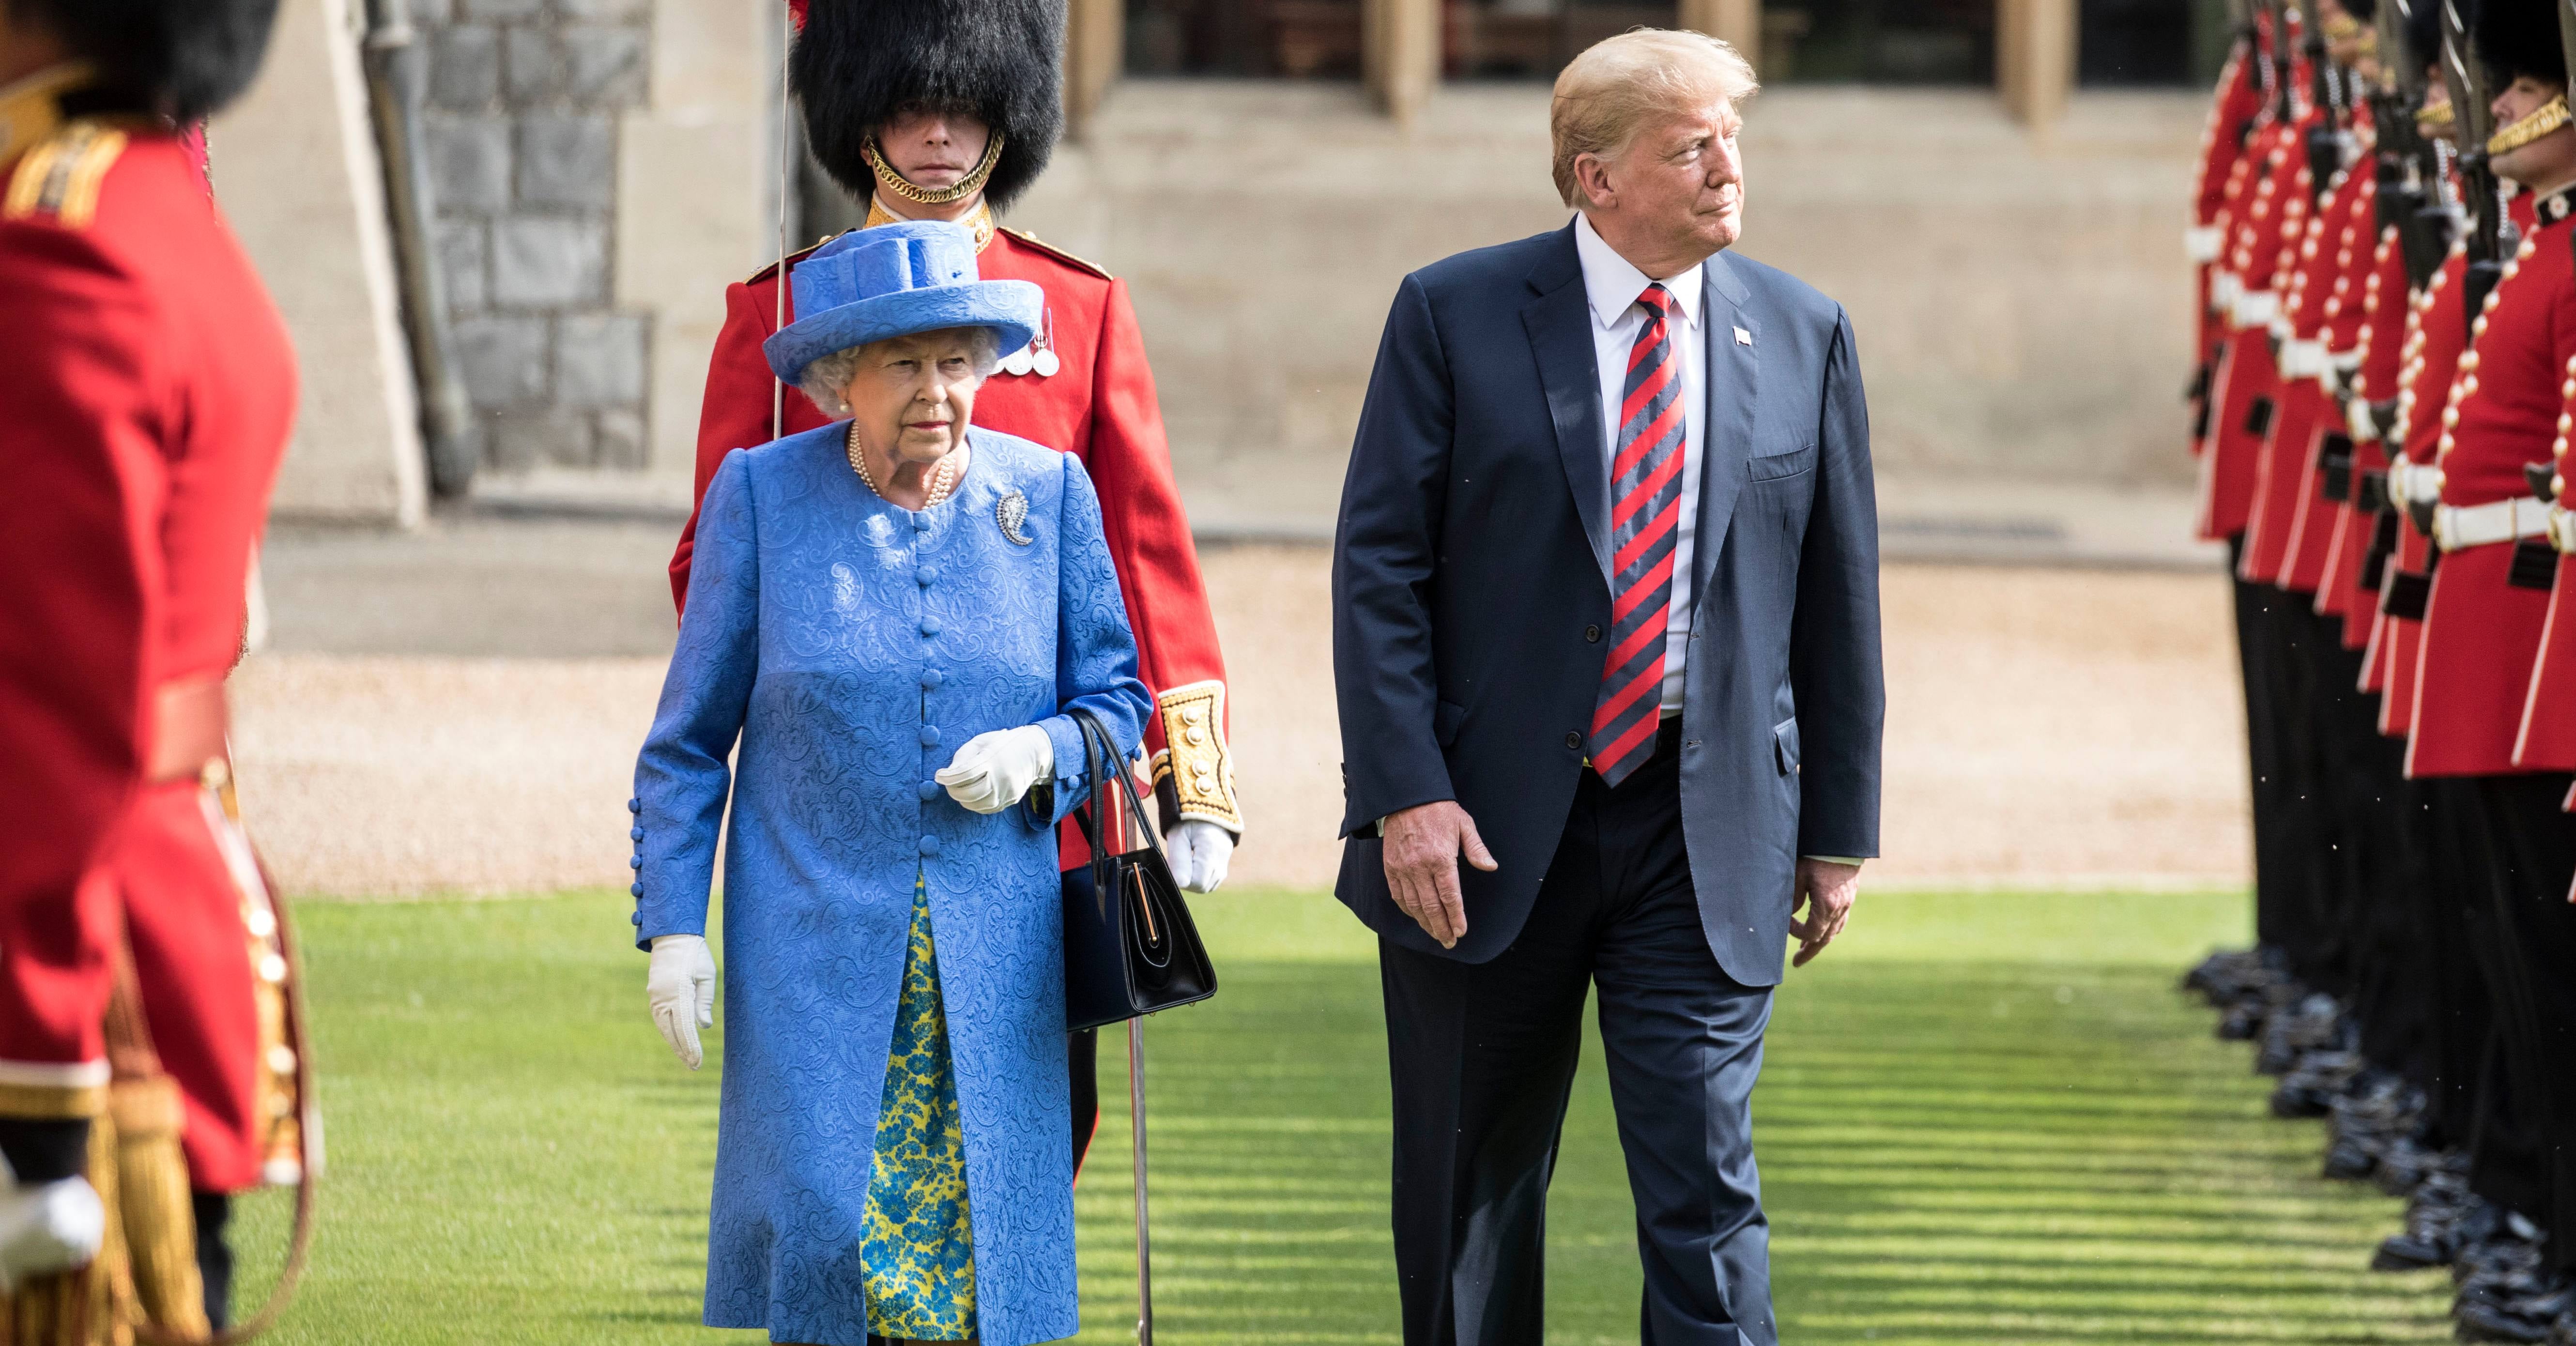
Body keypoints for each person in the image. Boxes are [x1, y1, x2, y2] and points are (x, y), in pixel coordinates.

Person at [1330, 30, 1881, 1343]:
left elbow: (1836, 598)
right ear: (1596, 176)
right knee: (1469, 1198)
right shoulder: (1452, 313)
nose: (1727, 168)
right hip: (1482, 831)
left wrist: (1839, 831)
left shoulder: (1804, 330)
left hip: (1707, 832)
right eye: (1694, 145)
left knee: (1706, 1195)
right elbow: (1379, 575)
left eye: (1733, 138)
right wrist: (1407, 796)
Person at [677, 0, 1240, 1174]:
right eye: (908, 103)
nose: (939, 132)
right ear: (858, 116)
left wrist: (1193, 780)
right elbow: (713, 562)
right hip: (841, 810)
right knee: (838, 1138)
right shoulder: (778, 312)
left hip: (1037, 798)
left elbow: (1144, 552)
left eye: (966, 104)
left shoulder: (1075, 308)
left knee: (1032, 1130)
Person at [630, 218, 1152, 1346]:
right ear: (837, 381)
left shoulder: (1052, 493)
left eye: (957, 358)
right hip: (811, 959)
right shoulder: (761, 498)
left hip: (999, 969)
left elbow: (1118, 706)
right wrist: (674, 927)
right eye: (904, 363)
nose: (936, 389)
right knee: (829, 1245)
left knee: (980, 1270)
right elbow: (685, 741)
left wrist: (1040, 753)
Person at [0, 0, 298, 1333]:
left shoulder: (56, 246)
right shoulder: (160, 220)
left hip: (75, 994)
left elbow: (54, 707)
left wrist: (36, 1097)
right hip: (150, 935)